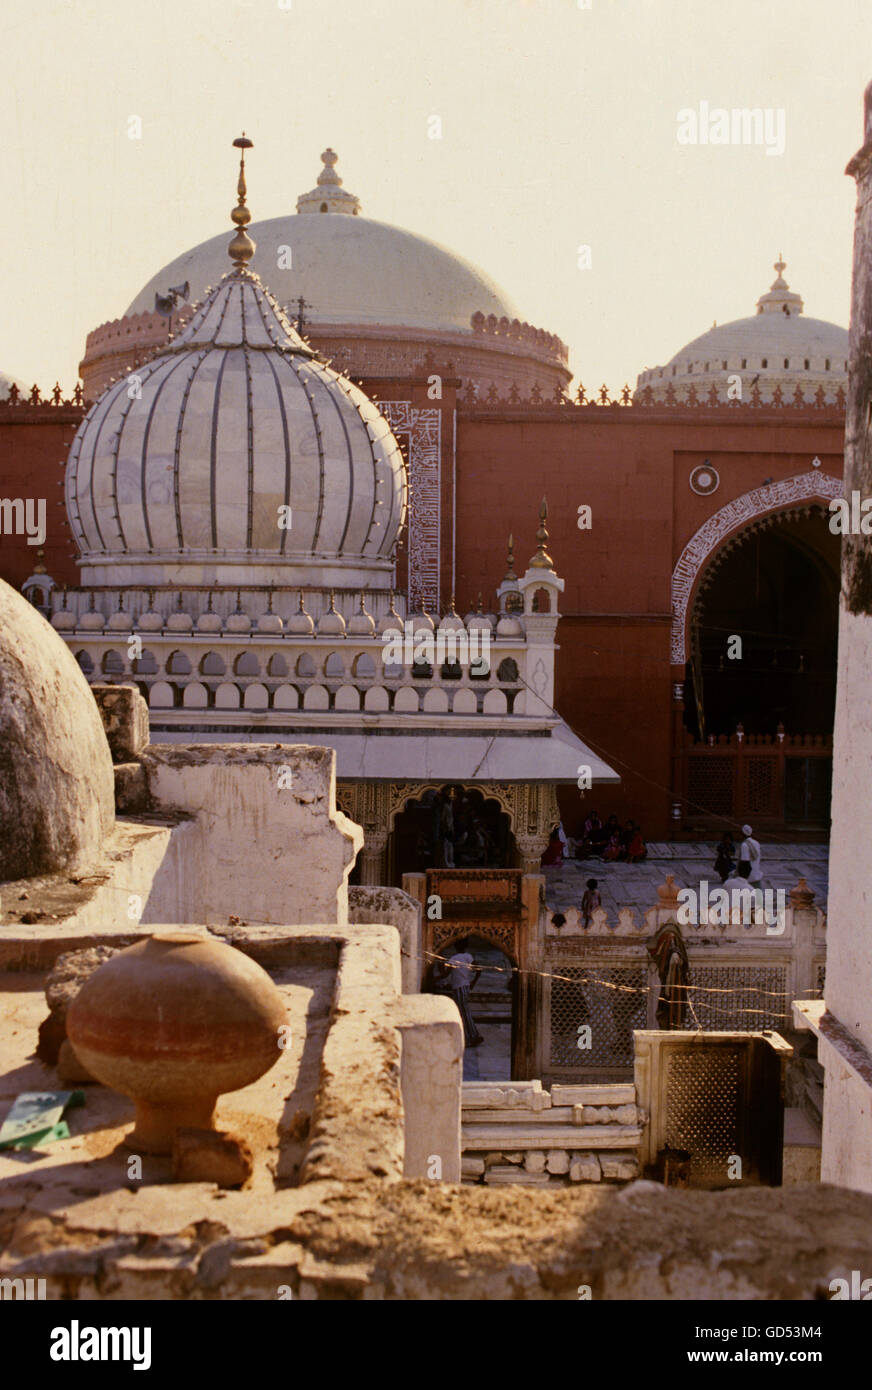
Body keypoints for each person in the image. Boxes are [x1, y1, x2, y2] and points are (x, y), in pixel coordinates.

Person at [448, 942, 483, 1046]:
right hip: (465, 987)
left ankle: (473, 1037)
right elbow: (479, 969)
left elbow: (446, 973)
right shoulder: (468, 956)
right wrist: (473, 982)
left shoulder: (453, 958)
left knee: (464, 1013)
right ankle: (471, 1036)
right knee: (464, 1013)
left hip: (459, 988)